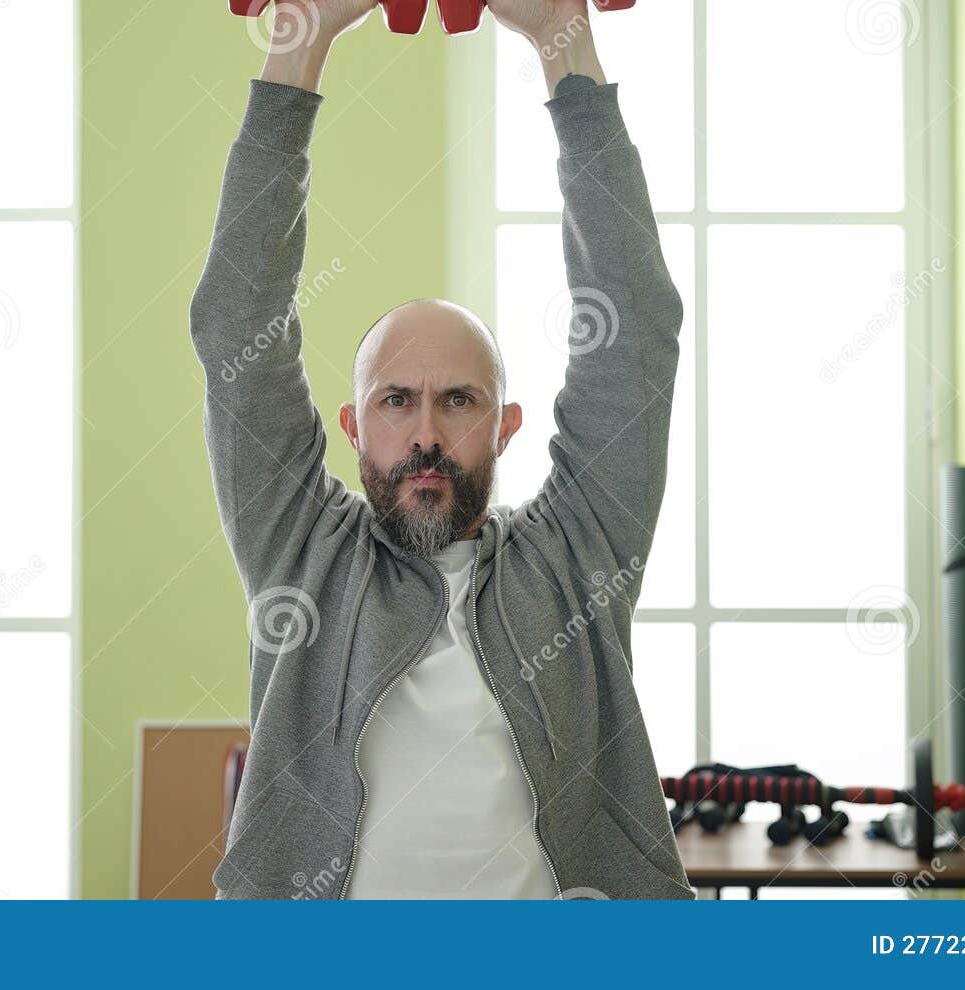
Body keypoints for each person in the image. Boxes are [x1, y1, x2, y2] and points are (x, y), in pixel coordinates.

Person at [190, 0, 693, 899]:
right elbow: (236, 322)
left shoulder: (577, 554)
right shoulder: (302, 553)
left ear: (505, 425)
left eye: (458, 400)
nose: (425, 433)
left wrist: (563, 38)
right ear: (354, 428)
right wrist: (301, 39)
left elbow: (637, 330)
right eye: (396, 401)